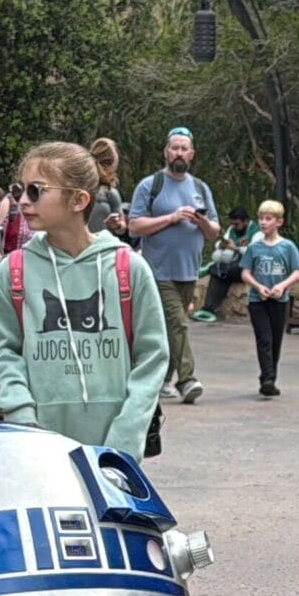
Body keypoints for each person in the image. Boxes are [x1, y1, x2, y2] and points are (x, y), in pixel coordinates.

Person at [0, 141, 169, 456]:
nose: (23, 202)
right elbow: (2, 353)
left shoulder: (128, 268)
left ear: (79, 200)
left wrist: (124, 439)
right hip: (34, 445)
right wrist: (22, 420)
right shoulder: (12, 271)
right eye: (20, 191)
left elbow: (152, 359)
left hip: (115, 444)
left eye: (36, 191)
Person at [127, 127, 217, 403]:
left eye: (184, 149)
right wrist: (171, 217)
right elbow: (134, 226)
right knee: (178, 324)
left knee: (171, 327)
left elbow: (214, 231)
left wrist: (199, 221)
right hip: (158, 270)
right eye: (174, 147)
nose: (179, 153)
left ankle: (161, 379)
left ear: (191, 154)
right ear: (166, 151)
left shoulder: (200, 188)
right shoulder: (150, 185)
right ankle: (187, 380)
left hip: (188, 271)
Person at [241, 200, 299, 398]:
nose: (263, 223)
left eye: (268, 219)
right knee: (264, 339)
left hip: (279, 300)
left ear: (279, 222)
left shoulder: (287, 247)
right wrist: (258, 286)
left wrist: (282, 286)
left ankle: (271, 378)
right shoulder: (254, 247)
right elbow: (245, 272)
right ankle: (266, 378)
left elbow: (298, 271)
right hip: (257, 300)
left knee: (276, 340)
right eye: (261, 218)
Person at [200, 206, 251, 322]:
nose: (234, 227)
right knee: (219, 274)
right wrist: (222, 244)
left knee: (221, 270)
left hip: (249, 266)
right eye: (232, 224)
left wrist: (236, 248)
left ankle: (213, 268)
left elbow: (254, 252)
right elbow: (219, 243)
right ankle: (208, 309)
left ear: (245, 221)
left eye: (237, 224)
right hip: (232, 265)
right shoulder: (232, 229)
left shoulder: (256, 231)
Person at [88, 137, 131, 241]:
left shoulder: (110, 192)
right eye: (105, 162)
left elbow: (122, 228)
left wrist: (117, 225)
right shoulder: (79, 186)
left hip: (102, 248)